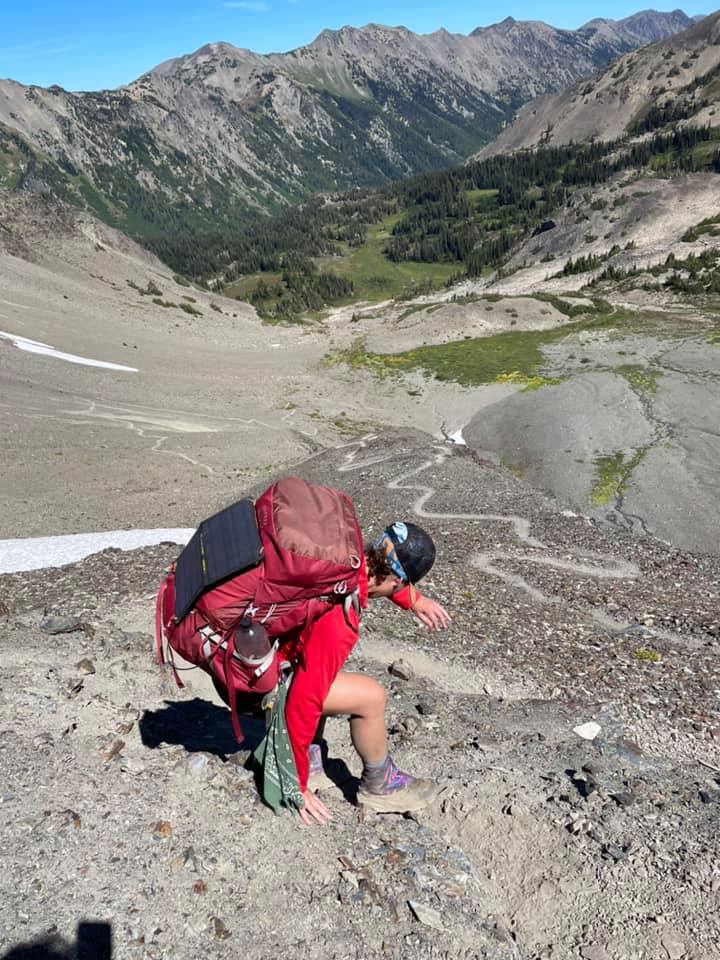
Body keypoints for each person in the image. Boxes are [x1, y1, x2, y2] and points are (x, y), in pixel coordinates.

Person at [156, 480, 451, 827]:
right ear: (398, 580)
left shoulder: (343, 557)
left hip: (246, 651)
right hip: (255, 679)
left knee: (323, 672)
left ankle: (311, 759)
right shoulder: (343, 613)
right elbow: (304, 699)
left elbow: (378, 577)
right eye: (407, 586)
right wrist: (293, 783)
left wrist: (412, 600)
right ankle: (378, 784)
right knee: (370, 697)